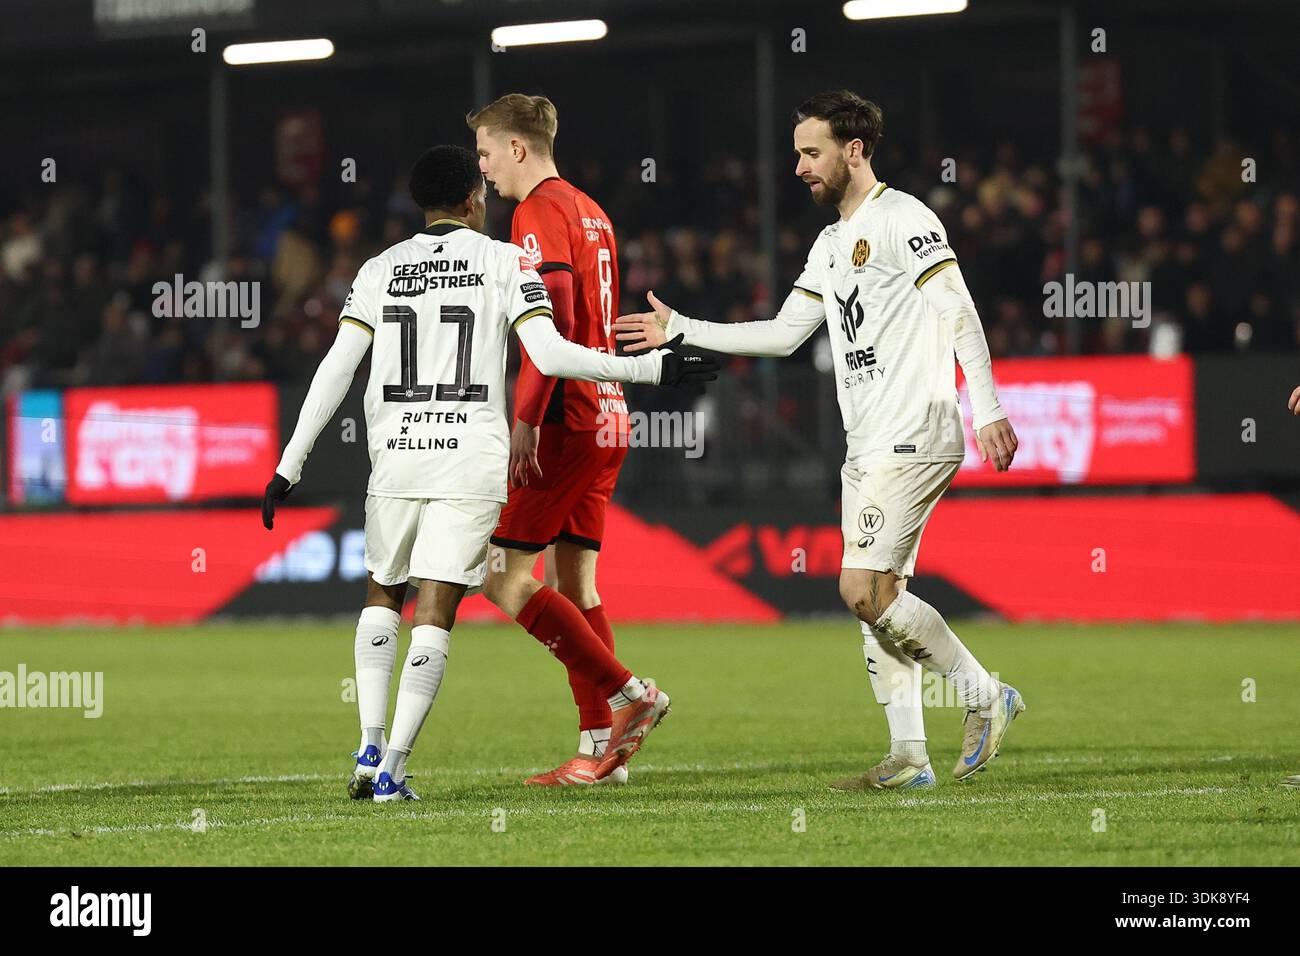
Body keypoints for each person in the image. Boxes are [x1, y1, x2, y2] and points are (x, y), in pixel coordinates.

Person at [262, 145, 717, 801]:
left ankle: (366, 745)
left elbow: (337, 366)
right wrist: (653, 369)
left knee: (383, 592)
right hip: (469, 458)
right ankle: (392, 766)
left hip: (395, 454)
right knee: (437, 609)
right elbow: (553, 352)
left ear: (421, 204)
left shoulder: (378, 269)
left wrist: (289, 462)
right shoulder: (507, 262)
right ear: (475, 199)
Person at [616, 90, 1023, 790]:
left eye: (812, 152)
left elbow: (959, 309)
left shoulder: (904, 218)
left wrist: (985, 407)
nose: (799, 166)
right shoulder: (832, 242)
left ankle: (986, 696)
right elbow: (783, 333)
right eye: (798, 152)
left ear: (854, 150)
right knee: (881, 595)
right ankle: (909, 755)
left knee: (860, 589)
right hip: (865, 443)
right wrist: (682, 326)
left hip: (915, 431)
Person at [468, 94, 645, 786]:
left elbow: (555, 316)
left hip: (567, 413)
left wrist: (527, 414)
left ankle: (634, 697)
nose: (482, 169)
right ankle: (601, 748)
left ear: (517, 147)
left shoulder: (534, 210)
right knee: (578, 583)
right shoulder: (592, 209)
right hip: (609, 409)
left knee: (503, 576)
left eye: (486, 152)